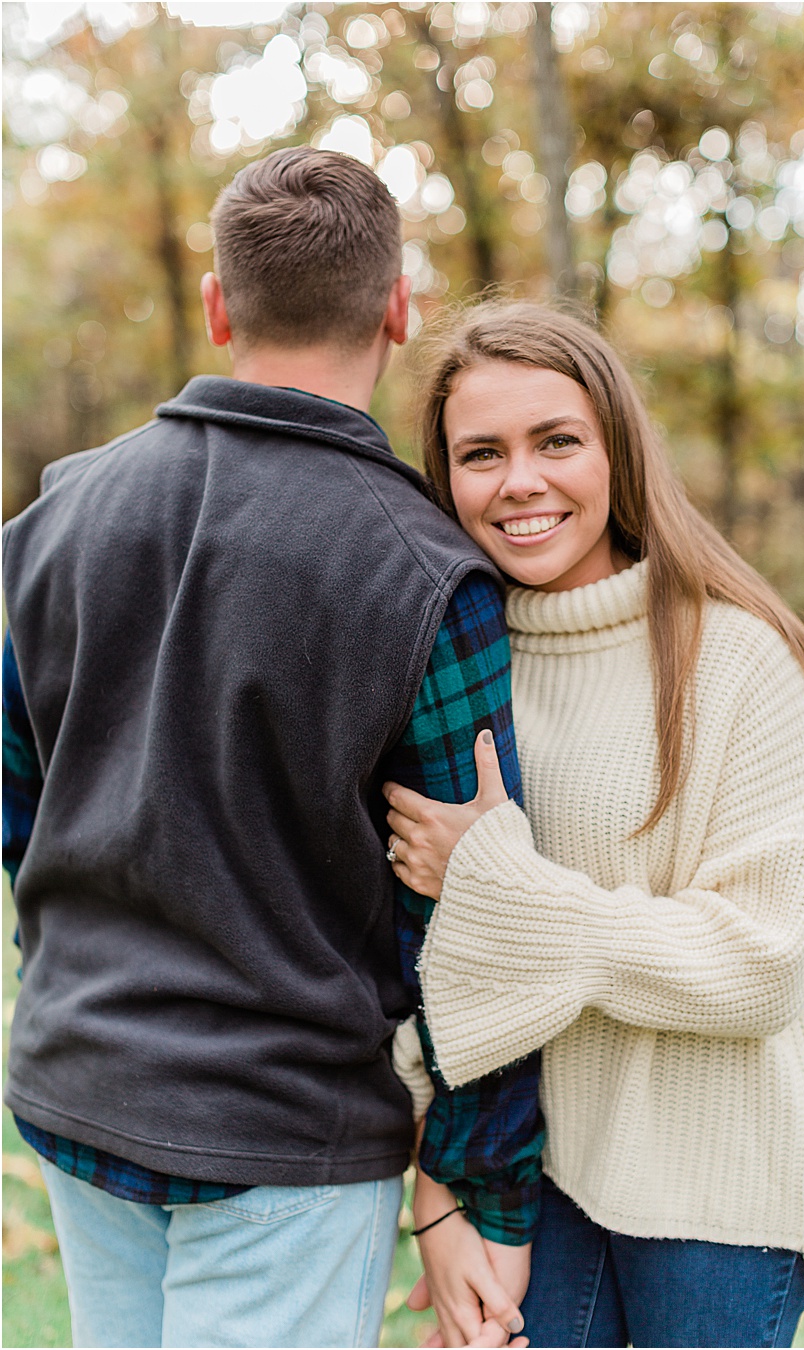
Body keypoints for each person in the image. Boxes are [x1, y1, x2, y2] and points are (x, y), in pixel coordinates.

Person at [1, 148, 538, 1348]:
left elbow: (20, 809)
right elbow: (471, 913)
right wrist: (484, 1186)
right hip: (287, 1133)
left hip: (80, 1081)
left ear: (217, 304)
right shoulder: (428, 576)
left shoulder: (52, 521)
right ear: (398, 307)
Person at [380, 302, 804, 1348]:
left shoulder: (734, 659)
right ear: (444, 477)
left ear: (617, 450)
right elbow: (419, 954)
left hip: (722, 1191)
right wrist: (439, 1190)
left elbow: (761, 965)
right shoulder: (452, 669)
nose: (521, 481)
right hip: (532, 1180)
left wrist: (503, 887)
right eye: (481, 453)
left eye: (557, 441)